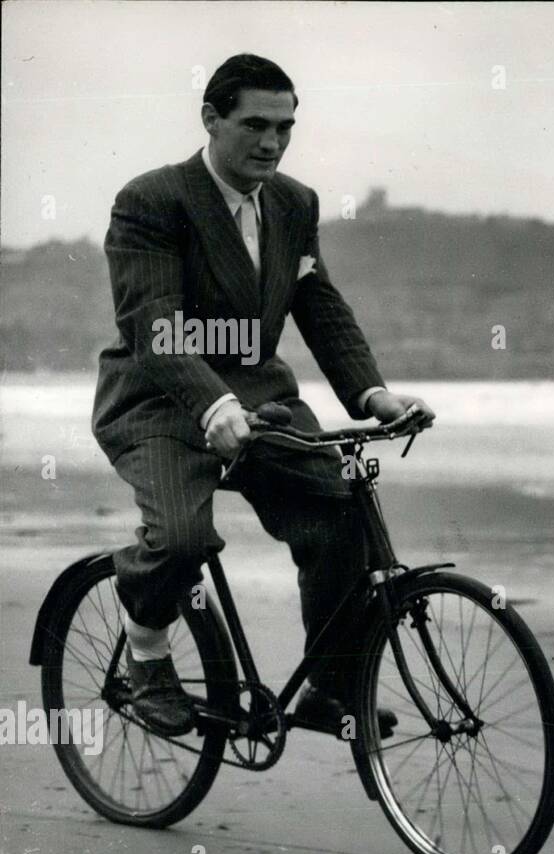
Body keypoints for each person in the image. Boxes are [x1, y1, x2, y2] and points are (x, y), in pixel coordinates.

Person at [92, 53, 433, 737]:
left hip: (261, 401)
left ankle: (329, 688)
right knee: (182, 538)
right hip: (159, 401)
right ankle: (147, 656)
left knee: (340, 514)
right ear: (211, 119)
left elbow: (320, 307)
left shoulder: (293, 202)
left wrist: (373, 394)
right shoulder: (151, 201)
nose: (272, 143)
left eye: (286, 127)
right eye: (254, 124)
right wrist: (213, 406)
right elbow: (154, 327)